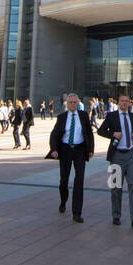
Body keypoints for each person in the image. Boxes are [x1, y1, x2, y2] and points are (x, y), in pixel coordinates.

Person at [97, 93, 133, 229]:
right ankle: (116, 215)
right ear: (118, 103)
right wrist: (112, 134)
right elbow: (100, 131)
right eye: (122, 101)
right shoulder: (111, 116)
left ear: (129, 103)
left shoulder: (132, 117)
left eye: (127, 101)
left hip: (131, 155)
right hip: (117, 156)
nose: (124, 103)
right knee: (115, 187)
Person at [49, 93, 94, 223]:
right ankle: (63, 201)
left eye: (75, 102)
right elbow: (54, 134)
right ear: (67, 104)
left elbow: (89, 133)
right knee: (64, 180)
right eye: (71, 102)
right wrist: (54, 149)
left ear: (78, 103)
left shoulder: (83, 116)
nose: (73, 104)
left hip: (80, 150)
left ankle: (77, 212)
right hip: (65, 150)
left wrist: (90, 149)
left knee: (79, 180)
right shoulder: (62, 117)